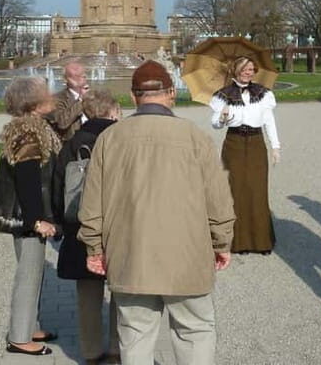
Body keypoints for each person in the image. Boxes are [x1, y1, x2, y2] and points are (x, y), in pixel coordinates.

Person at [78, 60, 235, 365]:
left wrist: (94, 247)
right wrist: (221, 242)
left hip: (130, 253)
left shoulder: (110, 138)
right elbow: (218, 200)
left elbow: (92, 203)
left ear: (134, 97)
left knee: (135, 334)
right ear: (171, 93)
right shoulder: (195, 136)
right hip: (187, 254)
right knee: (195, 331)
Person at [53, 89, 123, 364]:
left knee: (88, 295)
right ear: (112, 112)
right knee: (121, 292)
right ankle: (118, 348)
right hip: (117, 224)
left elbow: (59, 186)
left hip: (81, 225)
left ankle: (91, 352)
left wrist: (61, 221)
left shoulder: (73, 142)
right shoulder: (120, 139)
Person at [0, 76, 62, 356]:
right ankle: (19, 337)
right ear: (34, 103)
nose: (52, 96)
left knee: (34, 272)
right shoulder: (28, 131)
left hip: (27, 212)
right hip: (27, 214)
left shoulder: (34, 127)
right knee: (29, 273)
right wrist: (37, 219)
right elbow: (27, 178)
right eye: (46, 93)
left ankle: (30, 325)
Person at [209, 56, 280, 254]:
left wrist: (275, 146)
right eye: (246, 68)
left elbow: (269, 121)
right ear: (236, 70)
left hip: (256, 143)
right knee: (236, 190)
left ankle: (261, 242)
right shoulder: (223, 95)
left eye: (252, 69)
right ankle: (239, 242)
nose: (250, 72)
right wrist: (222, 117)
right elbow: (214, 124)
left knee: (257, 189)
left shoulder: (263, 94)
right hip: (234, 144)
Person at [50, 61, 89, 142]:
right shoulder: (57, 98)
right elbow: (62, 123)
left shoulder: (95, 97)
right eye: (73, 76)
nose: (78, 78)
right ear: (65, 79)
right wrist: (81, 100)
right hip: (71, 145)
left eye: (80, 75)